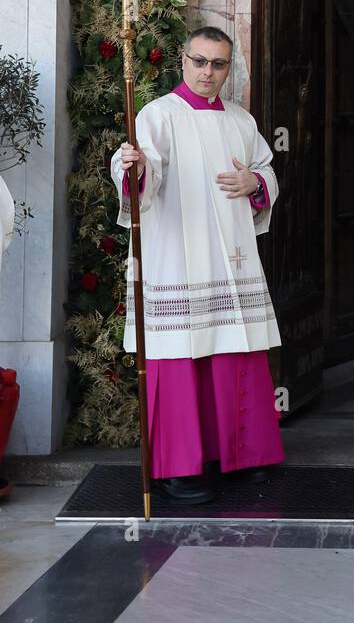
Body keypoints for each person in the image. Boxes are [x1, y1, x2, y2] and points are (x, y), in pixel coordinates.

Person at [110, 26, 284, 503]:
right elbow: (144, 168)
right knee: (178, 355)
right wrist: (136, 167)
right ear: (183, 61)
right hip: (176, 254)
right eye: (200, 61)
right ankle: (178, 468)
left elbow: (266, 169)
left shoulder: (241, 120)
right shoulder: (158, 115)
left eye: (219, 64)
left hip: (231, 254)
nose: (208, 72)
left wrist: (256, 181)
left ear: (230, 68)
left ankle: (243, 456)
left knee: (236, 347)